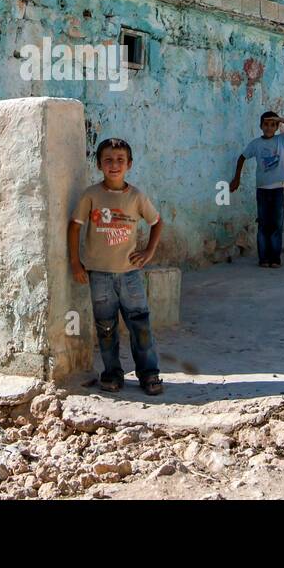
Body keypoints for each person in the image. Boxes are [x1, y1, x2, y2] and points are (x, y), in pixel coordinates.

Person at [67, 138, 165, 395]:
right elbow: (74, 226)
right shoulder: (91, 195)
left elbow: (156, 222)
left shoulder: (136, 197)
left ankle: (149, 373)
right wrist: (76, 262)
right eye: (108, 160)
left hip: (130, 274)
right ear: (99, 164)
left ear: (129, 164)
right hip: (99, 275)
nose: (114, 165)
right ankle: (112, 372)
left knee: (140, 326)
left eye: (120, 160)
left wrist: (149, 251)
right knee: (106, 328)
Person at [231, 110, 284, 268]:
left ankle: (275, 258)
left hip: (277, 191)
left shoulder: (282, 140)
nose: (269, 127)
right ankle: (264, 258)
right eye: (266, 124)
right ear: (261, 126)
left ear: (276, 127)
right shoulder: (256, 144)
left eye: (272, 125)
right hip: (262, 190)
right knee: (263, 225)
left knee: (276, 225)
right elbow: (242, 157)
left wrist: (280, 118)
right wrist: (237, 178)